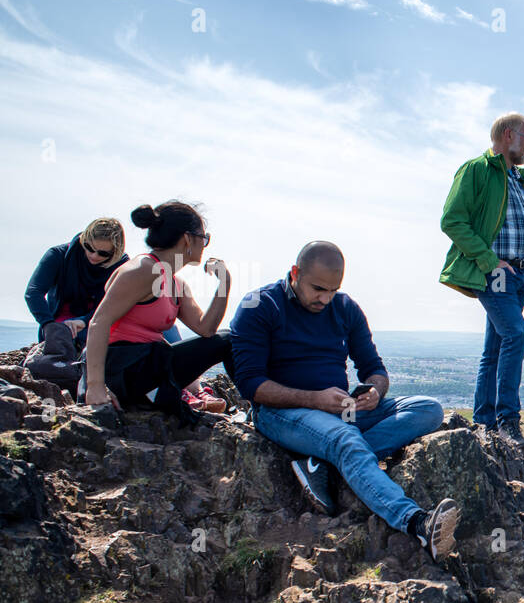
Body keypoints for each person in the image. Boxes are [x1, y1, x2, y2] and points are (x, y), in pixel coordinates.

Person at [229, 241, 460, 561]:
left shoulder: (344, 307)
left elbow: (374, 369)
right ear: (295, 273)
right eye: (318, 289)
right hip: (281, 413)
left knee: (427, 409)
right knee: (344, 438)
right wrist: (316, 400)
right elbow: (250, 384)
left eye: (333, 290)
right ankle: (417, 523)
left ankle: (324, 464)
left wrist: (375, 391)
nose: (325, 298)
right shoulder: (260, 306)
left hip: (339, 410)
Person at [439, 112, 524, 442]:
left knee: (495, 346)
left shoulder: (518, 179)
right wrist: (490, 261)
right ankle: (507, 420)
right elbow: (452, 221)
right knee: (516, 335)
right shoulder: (476, 169)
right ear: (508, 135)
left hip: (520, 276)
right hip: (496, 274)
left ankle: (485, 421)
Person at [82, 202, 233, 422]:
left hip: (151, 365)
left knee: (230, 338)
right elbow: (99, 322)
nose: (205, 243)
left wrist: (224, 283)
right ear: (187, 239)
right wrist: (95, 387)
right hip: (124, 368)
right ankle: (263, 411)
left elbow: (206, 329)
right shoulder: (144, 269)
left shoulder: (175, 283)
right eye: (204, 237)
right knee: (229, 339)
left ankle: (258, 407)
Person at [23, 218, 128, 393]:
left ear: (115, 252)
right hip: (59, 324)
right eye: (89, 247)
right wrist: (48, 324)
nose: (93, 256)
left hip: (102, 320)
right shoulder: (58, 255)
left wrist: (85, 321)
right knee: (64, 340)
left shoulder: (123, 266)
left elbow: (118, 304)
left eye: (103, 254)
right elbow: (33, 292)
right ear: (83, 239)